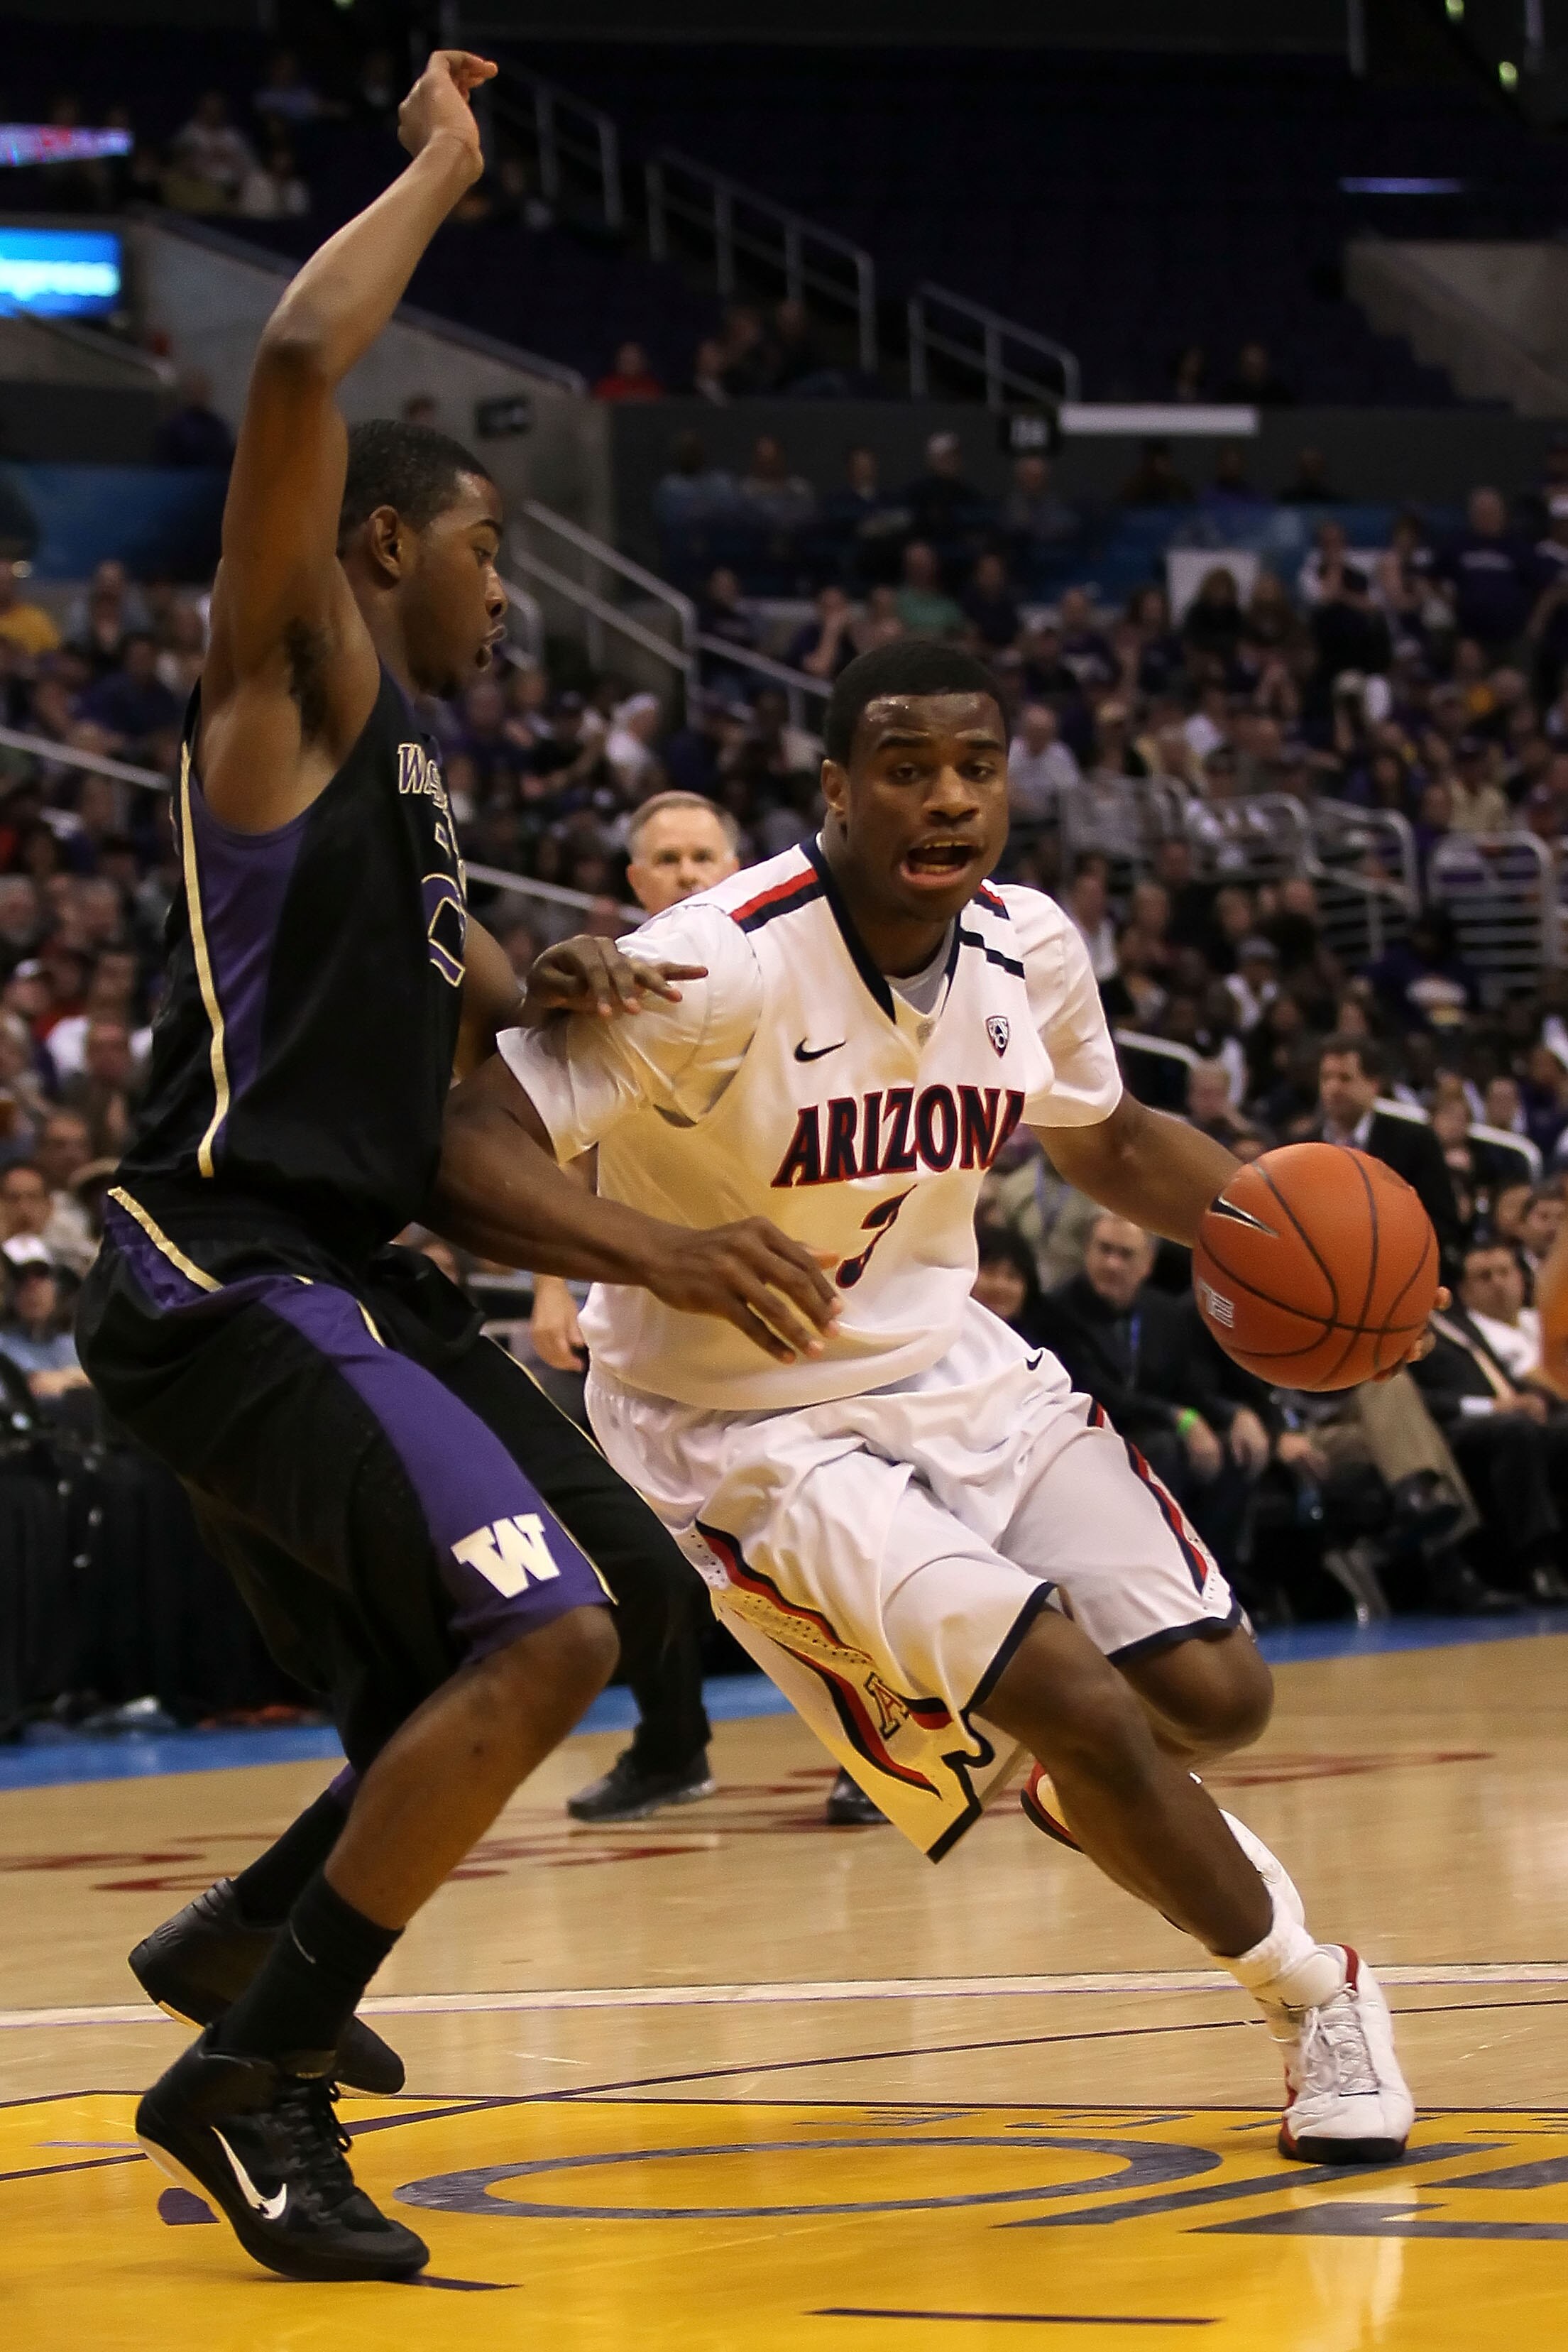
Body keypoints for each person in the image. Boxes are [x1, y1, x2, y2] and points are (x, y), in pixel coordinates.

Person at [77, 54, 821, 2289]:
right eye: (491, 545)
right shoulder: (295, 674)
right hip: (215, 1262)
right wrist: (441, 168)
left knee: (601, 1595)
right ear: (386, 543)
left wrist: (532, 991)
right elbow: (301, 355)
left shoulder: (408, 796)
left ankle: (244, 1945)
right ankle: (256, 2079)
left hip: (335, 1270)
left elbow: (438, 1103)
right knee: (551, 1627)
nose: (517, 587)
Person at [439, 639, 1417, 2170]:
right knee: (1077, 1706)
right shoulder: (720, 961)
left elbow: (1108, 1141)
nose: (947, 796)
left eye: (976, 765)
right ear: (836, 790)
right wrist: (665, 1254)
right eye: (906, 767)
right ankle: (1313, 1993)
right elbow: (469, 1146)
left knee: (1217, 1699)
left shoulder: (1030, 945)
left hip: (947, 1363)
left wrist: (1316, 1251)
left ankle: (1099, 1796)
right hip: (747, 1425)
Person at [531, 792, 739, 1826]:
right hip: (648, 1314)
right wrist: (546, 1283)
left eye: (706, 853)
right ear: (635, 881)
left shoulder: (783, 962)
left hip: (779, 1296)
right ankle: (669, 1743)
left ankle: (879, 1746)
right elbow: (561, 1148)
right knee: (639, 1548)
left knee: (825, 1539)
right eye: (668, 857)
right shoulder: (610, 991)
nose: (689, 871)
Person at [1310, 1034, 1463, 1269]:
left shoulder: (1414, 1141)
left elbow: (1441, 1222)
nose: (1333, 1088)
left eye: (1345, 1078)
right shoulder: (1303, 1145)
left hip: (1393, 1268)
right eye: (1326, 1078)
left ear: (1373, 1084)